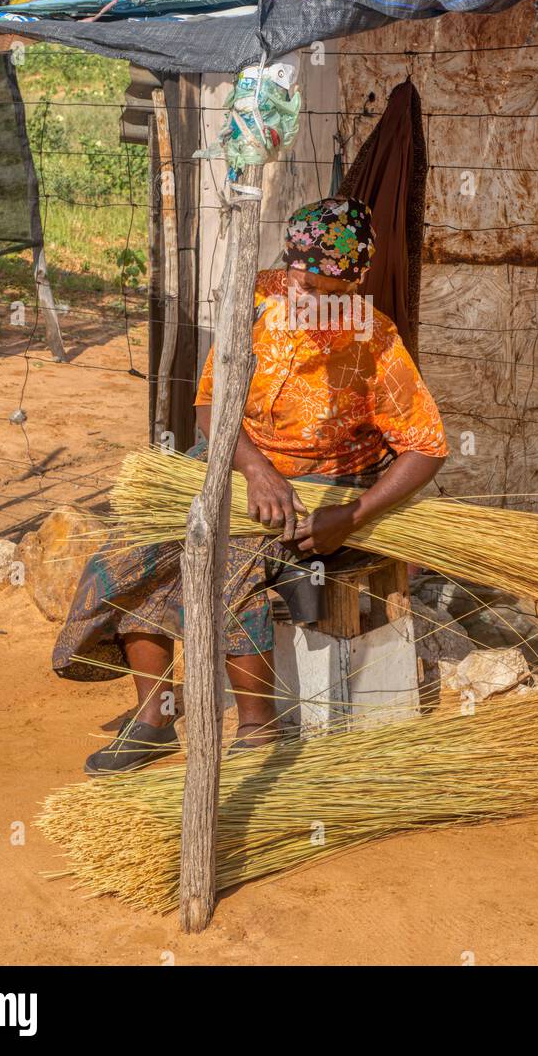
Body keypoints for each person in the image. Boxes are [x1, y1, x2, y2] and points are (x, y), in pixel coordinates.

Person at [53, 197, 447, 773]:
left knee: (228, 554)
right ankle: (154, 717)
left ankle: (258, 730)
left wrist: (353, 515)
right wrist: (256, 468)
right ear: (287, 262)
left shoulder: (374, 340)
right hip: (241, 461)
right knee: (140, 539)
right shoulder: (258, 299)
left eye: (329, 294)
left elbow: (427, 447)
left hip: (326, 478)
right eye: (302, 283)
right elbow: (211, 404)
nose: (310, 301)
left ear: (355, 283)